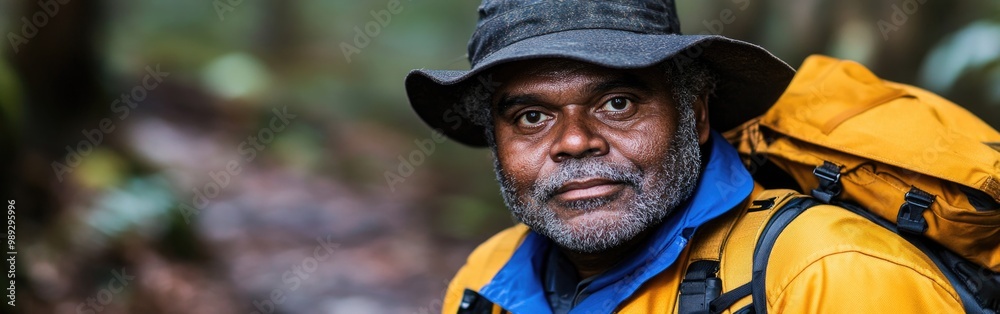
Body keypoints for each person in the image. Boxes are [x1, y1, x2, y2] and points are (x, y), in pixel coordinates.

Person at [404, 0, 964, 313]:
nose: (575, 141)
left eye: (617, 103)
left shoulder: (827, 272)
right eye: (531, 117)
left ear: (694, 114)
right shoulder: (487, 279)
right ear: (496, 141)